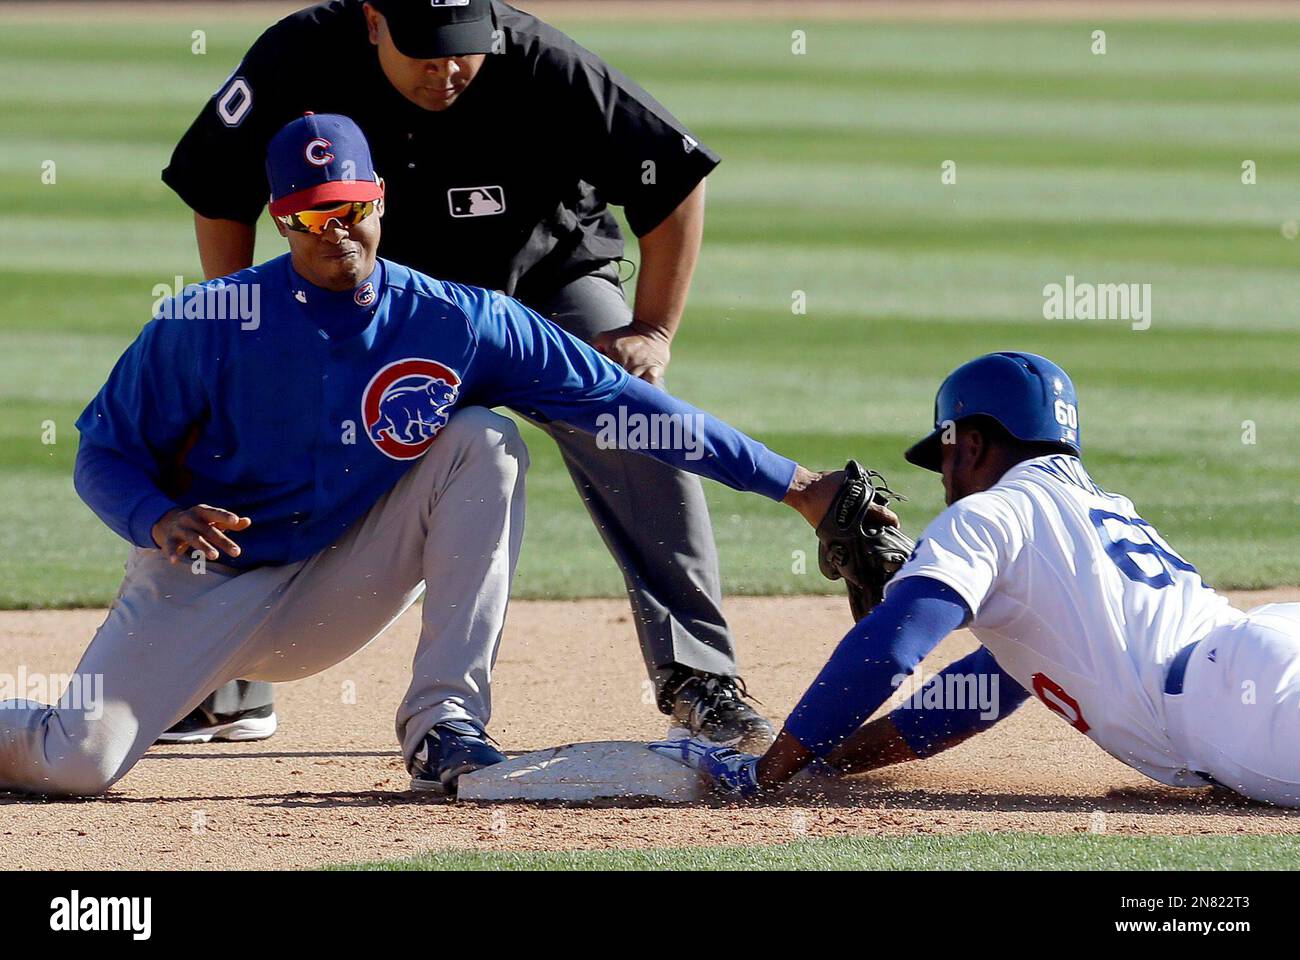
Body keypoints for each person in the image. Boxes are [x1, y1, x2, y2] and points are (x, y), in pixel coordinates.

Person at [0, 114, 892, 798]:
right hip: (205, 578)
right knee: (77, 760)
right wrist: (155, 516)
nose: (335, 232)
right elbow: (101, 455)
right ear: (279, 220)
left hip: (343, 581)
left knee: (482, 439)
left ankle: (445, 727)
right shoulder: (207, 322)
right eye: (311, 218)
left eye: (350, 209)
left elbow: (626, 407)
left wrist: (797, 486)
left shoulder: (460, 321)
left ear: (380, 198)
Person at [157, 0, 771, 749]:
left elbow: (671, 173)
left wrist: (653, 328)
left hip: (544, 283)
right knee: (257, 426)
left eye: (464, 49)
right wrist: (246, 330)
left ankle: (699, 674)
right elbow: (219, 188)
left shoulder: (540, 58)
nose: (447, 69)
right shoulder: (300, 55)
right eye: (426, 49)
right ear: (375, 20)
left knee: (632, 421)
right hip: (380, 299)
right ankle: (225, 677)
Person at [655, 352, 1300, 808]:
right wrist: (832, 758)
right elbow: (979, 693)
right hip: (1255, 654)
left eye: (943, 454)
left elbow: (890, 648)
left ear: (972, 445)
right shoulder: (1094, 512)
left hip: (1232, 702)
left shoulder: (990, 512)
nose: (942, 476)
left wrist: (768, 773)